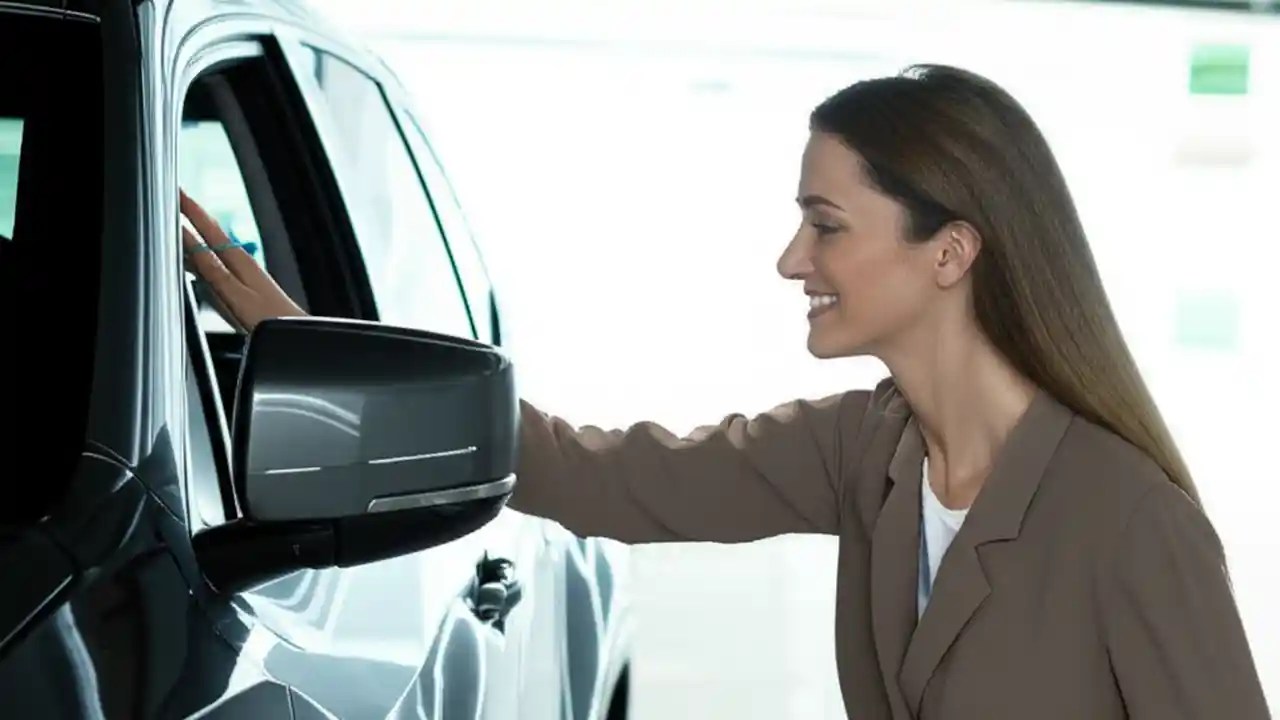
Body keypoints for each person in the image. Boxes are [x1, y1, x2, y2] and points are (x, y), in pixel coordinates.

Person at [180, 64, 1271, 719]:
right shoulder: (868, 451)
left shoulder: (1129, 522)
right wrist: (315, 344)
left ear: (949, 253)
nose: (792, 260)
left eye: (826, 225)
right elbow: (595, 477)